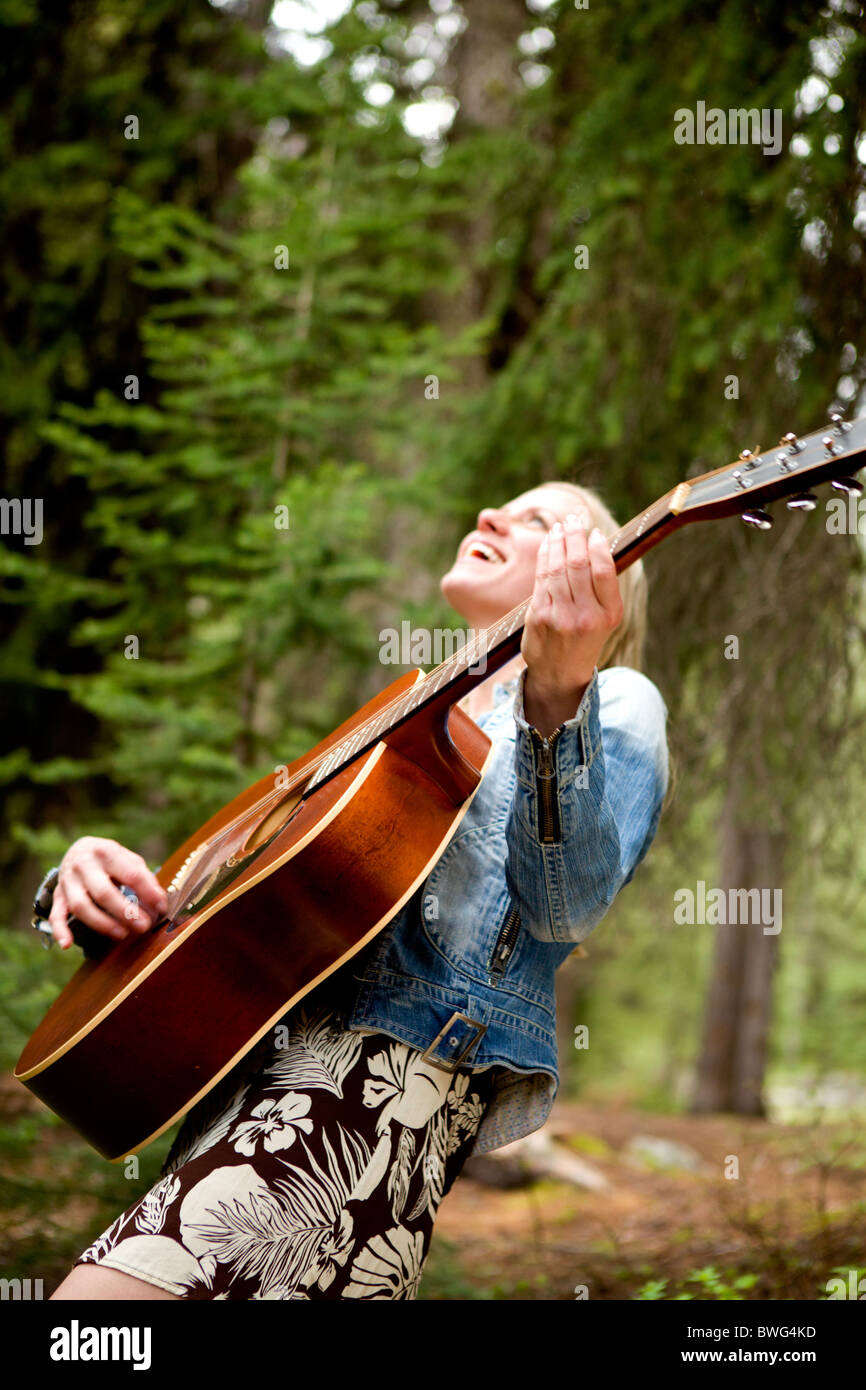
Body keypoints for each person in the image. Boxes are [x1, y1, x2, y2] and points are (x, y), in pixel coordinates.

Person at [37, 482, 668, 1300]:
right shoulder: (411, 723)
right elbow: (254, 920)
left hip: (365, 1105)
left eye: (541, 522)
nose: (488, 517)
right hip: (243, 1100)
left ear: (598, 575)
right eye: (499, 507)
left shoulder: (617, 700)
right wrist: (103, 891)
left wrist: (556, 702)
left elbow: (564, 905)